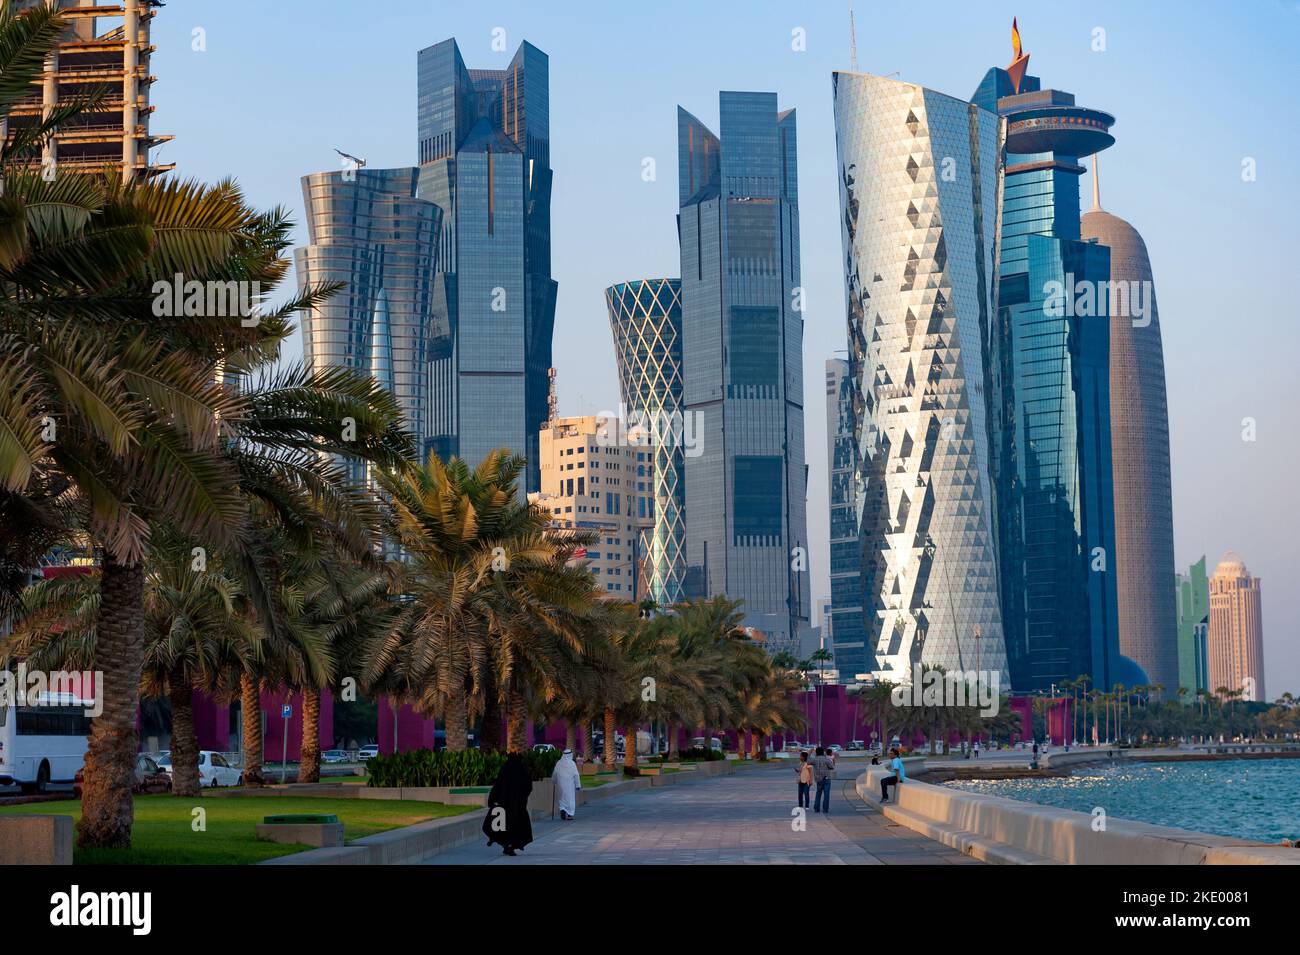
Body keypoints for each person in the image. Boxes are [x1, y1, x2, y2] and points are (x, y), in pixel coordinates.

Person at [483, 752, 534, 856]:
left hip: (504, 805)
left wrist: (493, 800)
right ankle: (511, 845)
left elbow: (497, 786)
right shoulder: (522, 771)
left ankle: (506, 844)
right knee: (516, 826)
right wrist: (522, 798)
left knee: (504, 826)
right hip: (518, 806)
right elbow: (528, 787)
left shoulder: (505, 770)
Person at [552, 748, 582, 821]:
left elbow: (555, 773)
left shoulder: (559, 763)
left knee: (562, 798)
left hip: (560, 785)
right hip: (569, 786)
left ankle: (563, 809)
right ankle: (570, 815)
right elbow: (576, 775)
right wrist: (578, 785)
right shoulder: (572, 763)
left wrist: (554, 781)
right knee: (570, 799)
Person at [811, 746, 835, 814]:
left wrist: (809, 752)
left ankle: (816, 808)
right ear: (823, 752)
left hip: (818, 779)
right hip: (826, 778)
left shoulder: (814, 760)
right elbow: (832, 767)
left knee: (818, 793)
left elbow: (807, 761)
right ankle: (825, 809)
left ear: (816, 753)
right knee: (826, 794)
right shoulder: (826, 759)